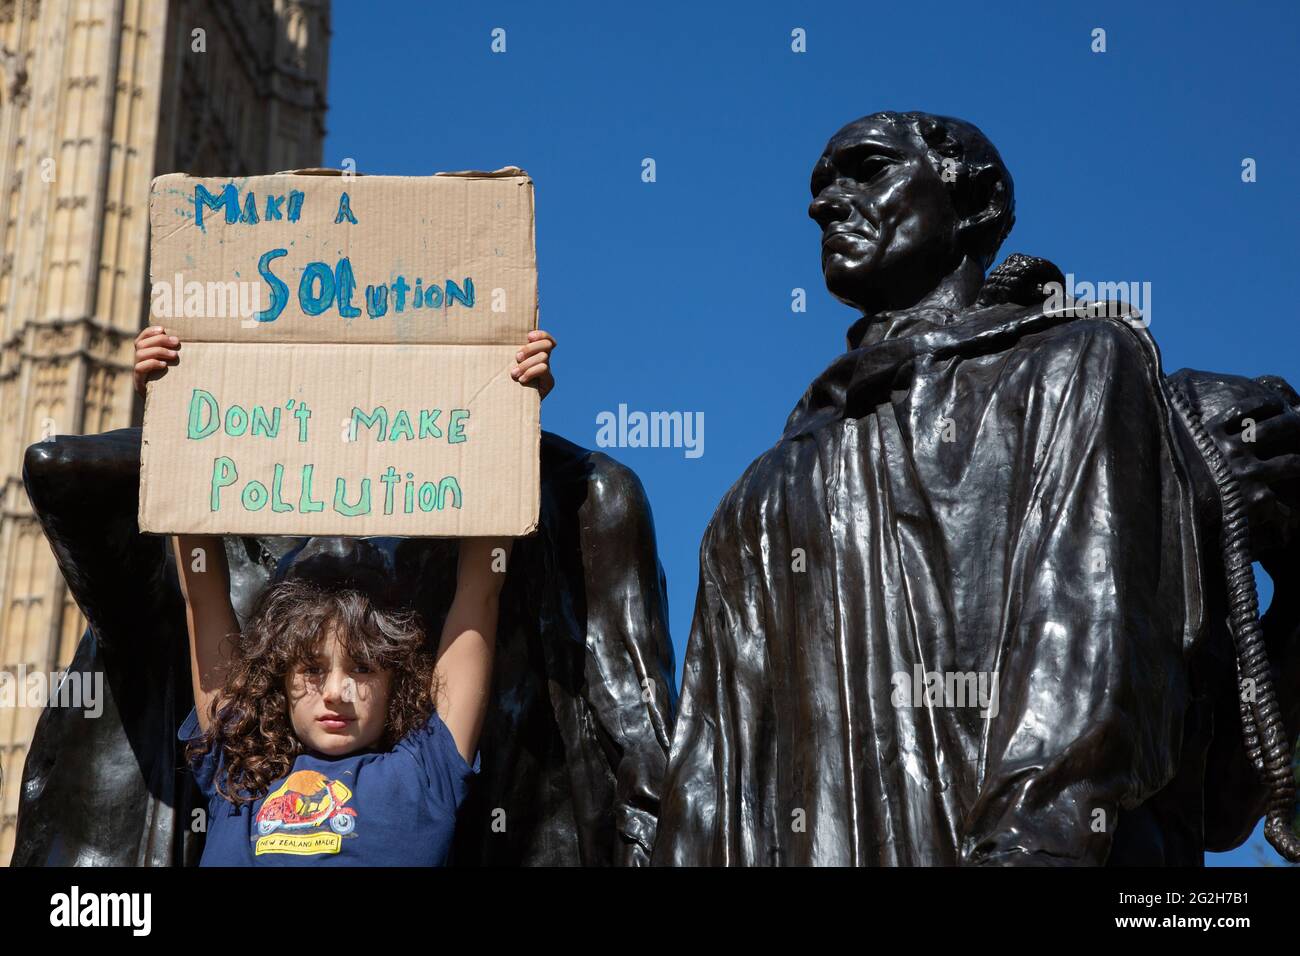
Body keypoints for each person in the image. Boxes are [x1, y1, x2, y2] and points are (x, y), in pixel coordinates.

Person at [653, 111, 1300, 866]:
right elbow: (705, 791)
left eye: (868, 169)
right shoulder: (758, 499)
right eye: (823, 185)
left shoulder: (1080, 367)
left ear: (977, 200)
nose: (825, 204)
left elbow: (1207, 796)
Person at [134, 326, 556, 866]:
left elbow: (481, 591)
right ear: (279, 679)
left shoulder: (427, 769)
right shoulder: (239, 768)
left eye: (362, 669)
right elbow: (202, 591)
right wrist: (170, 404)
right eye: (310, 669)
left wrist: (510, 410)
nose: (336, 693)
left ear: (397, 681)